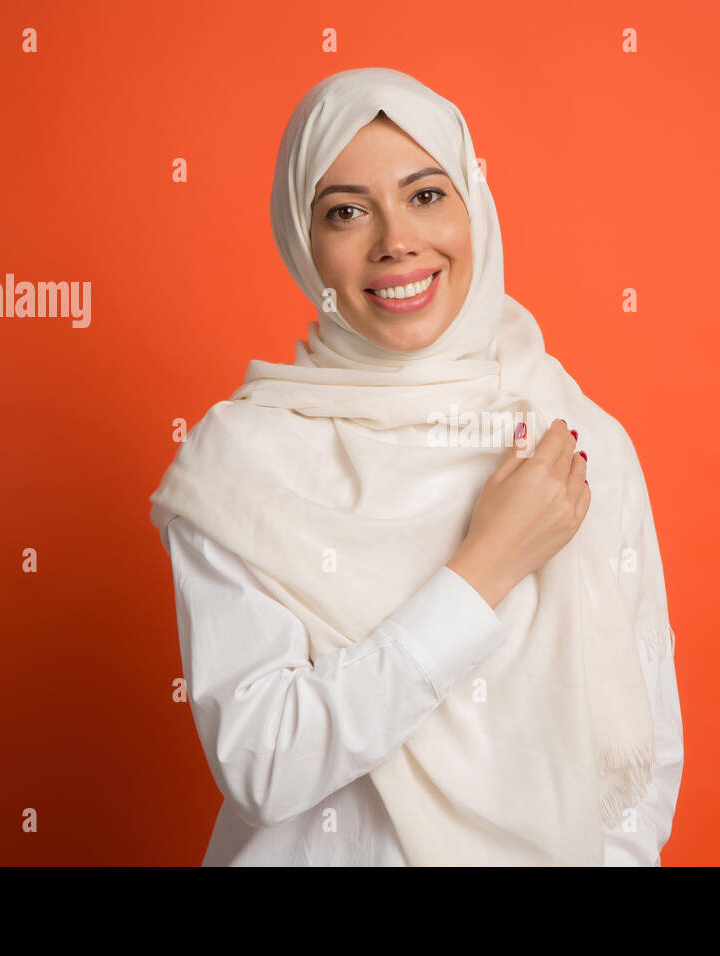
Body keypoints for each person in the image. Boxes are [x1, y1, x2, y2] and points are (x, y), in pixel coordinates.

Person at [148, 67, 683, 866]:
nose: (395, 239)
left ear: (475, 205)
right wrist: (482, 572)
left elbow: (640, 771)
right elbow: (265, 763)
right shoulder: (241, 461)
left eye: (427, 195)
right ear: (302, 242)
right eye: (346, 212)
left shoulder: (575, 441)